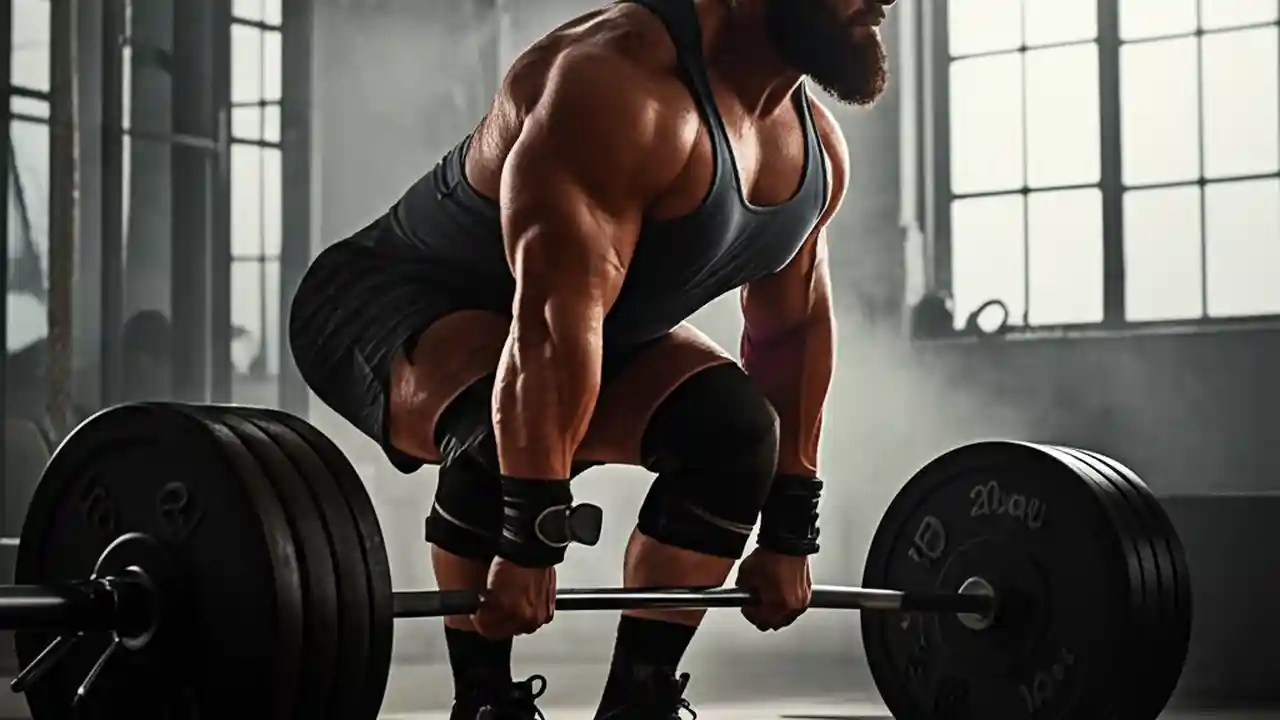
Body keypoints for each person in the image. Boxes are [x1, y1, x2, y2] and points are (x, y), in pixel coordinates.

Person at [289, 0, 895, 717]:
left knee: (733, 434)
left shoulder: (813, 150)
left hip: (583, 326)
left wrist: (791, 530)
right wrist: (531, 536)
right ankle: (484, 698)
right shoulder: (614, 86)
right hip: (385, 304)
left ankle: (637, 701)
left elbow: (791, 334)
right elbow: (549, 327)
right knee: (507, 436)